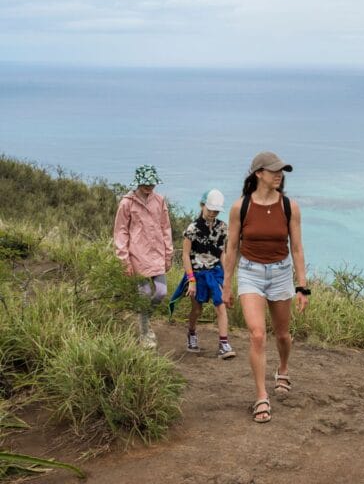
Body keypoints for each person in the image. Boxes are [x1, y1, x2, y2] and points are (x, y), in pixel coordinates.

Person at [223, 152, 310, 423]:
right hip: (250, 273)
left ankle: (282, 369)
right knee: (257, 334)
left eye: (281, 171)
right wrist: (226, 284)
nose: (279, 175)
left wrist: (302, 286)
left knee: (283, 335)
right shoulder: (241, 207)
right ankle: (261, 396)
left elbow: (296, 247)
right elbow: (232, 247)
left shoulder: (289, 207)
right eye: (274, 170)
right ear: (258, 173)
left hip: (281, 273)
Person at [168, 189, 236, 359]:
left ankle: (223, 343)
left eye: (216, 210)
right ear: (202, 205)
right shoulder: (192, 228)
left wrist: (227, 276)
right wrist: (191, 279)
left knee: (220, 305)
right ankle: (191, 333)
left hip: (215, 271)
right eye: (210, 209)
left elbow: (222, 252)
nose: (213, 213)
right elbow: (185, 254)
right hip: (197, 273)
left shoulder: (222, 228)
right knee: (197, 309)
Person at [113, 164, 174, 349]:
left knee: (161, 292)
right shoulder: (127, 203)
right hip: (136, 255)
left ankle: (144, 319)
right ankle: (145, 331)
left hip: (157, 254)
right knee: (145, 294)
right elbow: (120, 232)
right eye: (146, 182)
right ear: (139, 182)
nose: (150, 186)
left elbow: (166, 227)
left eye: (152, 182)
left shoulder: (160, 200)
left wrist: (168, 253)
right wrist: (124, 260)